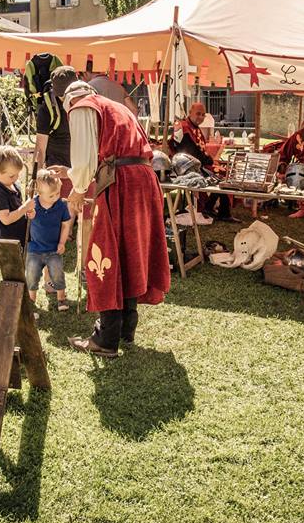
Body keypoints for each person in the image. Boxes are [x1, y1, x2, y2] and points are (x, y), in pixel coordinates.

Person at [61, 81, 170, 358]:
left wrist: (77, 188)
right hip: (142, 181)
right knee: (129, 253)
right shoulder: (118, 107)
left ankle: (106, 339)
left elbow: (84, 161)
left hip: (120, 182)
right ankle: (124, 329)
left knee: (105, 253)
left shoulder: (83, 106)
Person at [169, 102, 236, 222]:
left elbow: (199, 150)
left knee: (223, 172)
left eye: (203, 115)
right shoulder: (183, 127)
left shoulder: (194, 127)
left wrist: (208, 160)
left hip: (198, 164)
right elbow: (190, 152)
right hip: (187, 167)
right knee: (221, 174)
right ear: (190, 113)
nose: (200, 117)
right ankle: (219, 211)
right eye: (198, 114)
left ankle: (212, 207)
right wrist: (208, 160)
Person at [26, 170, 72, 312]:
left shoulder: (61, 206)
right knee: (32, 275)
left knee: (57, 273)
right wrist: (29, 215)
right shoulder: (32, 204)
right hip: (35, 249)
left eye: (58, 193)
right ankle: (31, 300)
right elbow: (25, 220)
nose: (56, 197)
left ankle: (61, 299)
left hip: (54, 249)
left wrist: (62, 243)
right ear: (39, 193)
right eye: (52, 195)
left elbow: (65, 225)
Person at [0, 145, 34, 245]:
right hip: (8, 242)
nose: (16, 178)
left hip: (21, 236)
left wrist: (28, 212)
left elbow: (18, 209)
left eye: (18, 174)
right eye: (12, 176)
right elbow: (6, 219)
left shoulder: (14, 185)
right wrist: (25, 207)